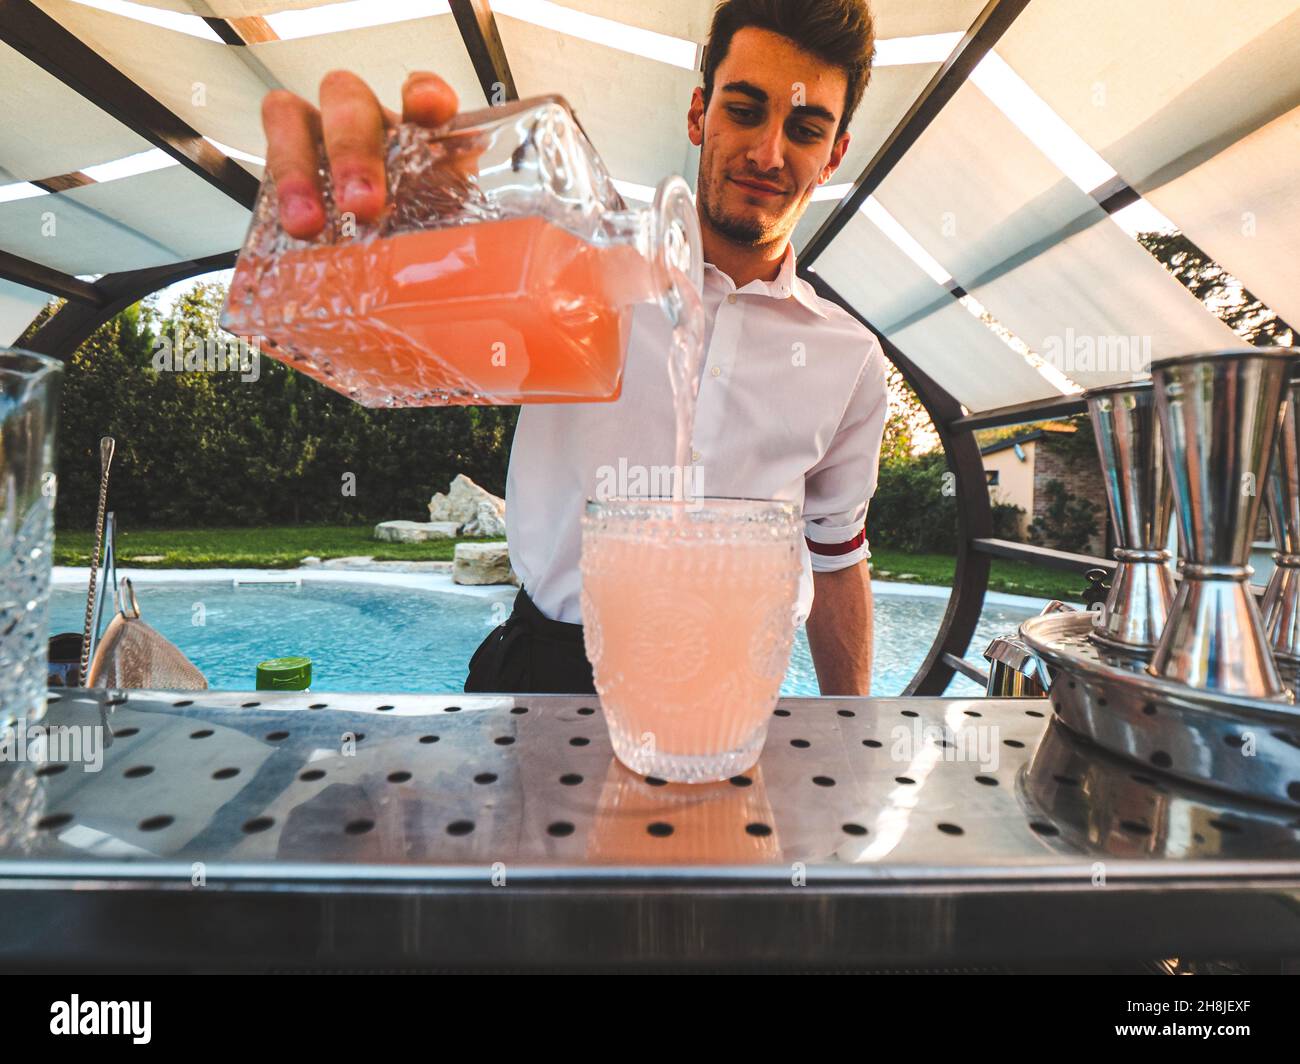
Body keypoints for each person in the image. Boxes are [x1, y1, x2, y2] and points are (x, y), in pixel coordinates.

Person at [260, 0, 888, 697]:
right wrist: (374, 228)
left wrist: (853, 733)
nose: (769, 153)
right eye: (744, 110)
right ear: (698, 114)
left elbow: (837, 556)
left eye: (804, 129)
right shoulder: (572, 269)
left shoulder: (848, 358)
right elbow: (378, 346)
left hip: (733, 695)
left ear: (833, 154)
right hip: (550, 675)